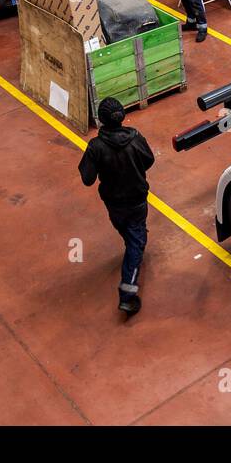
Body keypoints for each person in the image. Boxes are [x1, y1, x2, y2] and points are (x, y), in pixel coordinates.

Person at [78, 97, 154, 315]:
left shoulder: (96, 147)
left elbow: (87, 179)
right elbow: (149, 160)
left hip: (114, 204)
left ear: (101, 120)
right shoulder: (136, 137)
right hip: (137, 200)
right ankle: (128, 295)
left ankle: (135, 240)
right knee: (135, 244)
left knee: (130, 233)